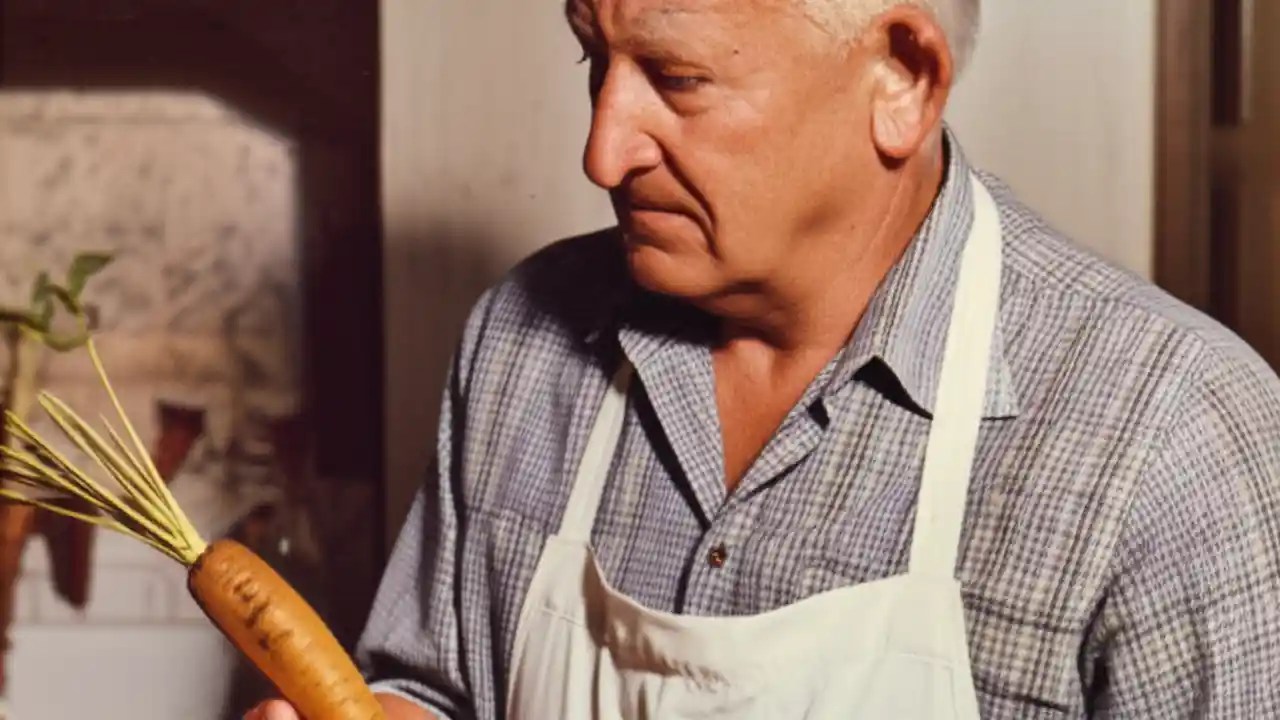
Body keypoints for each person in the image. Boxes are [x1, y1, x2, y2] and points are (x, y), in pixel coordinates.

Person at [248, 0, 1280, 717]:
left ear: (902, 79)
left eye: (678, 79)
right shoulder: (522, 343)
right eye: (593, 61)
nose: (603, 152)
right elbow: (436, 685)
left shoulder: (1171, 438)